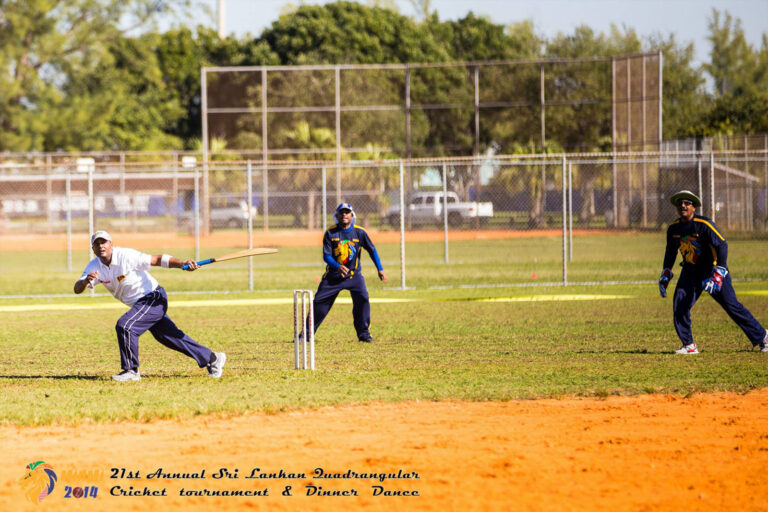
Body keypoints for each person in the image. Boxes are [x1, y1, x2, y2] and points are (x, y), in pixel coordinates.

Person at [74, 230, 226, 381]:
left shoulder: (126, 256)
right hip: (140, 305)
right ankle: (212, 358)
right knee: (168, 337)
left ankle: (131, 371)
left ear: (111, 244)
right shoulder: (94, 266)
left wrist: (182, 263)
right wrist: (86, 281)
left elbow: (157, 259)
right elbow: (77, 289)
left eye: (104, 242)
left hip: (153, 297)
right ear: (92, 248)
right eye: (97, 244)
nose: (101, 246)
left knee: (125, 326)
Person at [658, 190, 768, 354]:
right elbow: (671, 251)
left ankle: (763, 337)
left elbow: (722, 244)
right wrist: (666, 272)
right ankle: (689, 345)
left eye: (687, 203)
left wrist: (720, 271)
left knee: (732, 306)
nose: (683, 205)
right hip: (690, 271)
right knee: (680, 303)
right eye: (680, 203)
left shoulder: (704, 224)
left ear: (694, 207)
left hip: (712, 270)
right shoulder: (673, 228)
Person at [307, 202, 387, 342]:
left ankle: (364, 335)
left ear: (352, 215)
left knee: (363, 299)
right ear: (336, 216)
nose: (344, 215)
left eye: (347, 212)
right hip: (333, 276)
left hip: (354, 276)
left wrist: (379, 268)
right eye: (341, 212)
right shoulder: (331, 233)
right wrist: (337, 266)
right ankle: (306, 334)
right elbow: (326, 256)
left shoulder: (360, 232)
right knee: (319, 302)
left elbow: (372, 250)